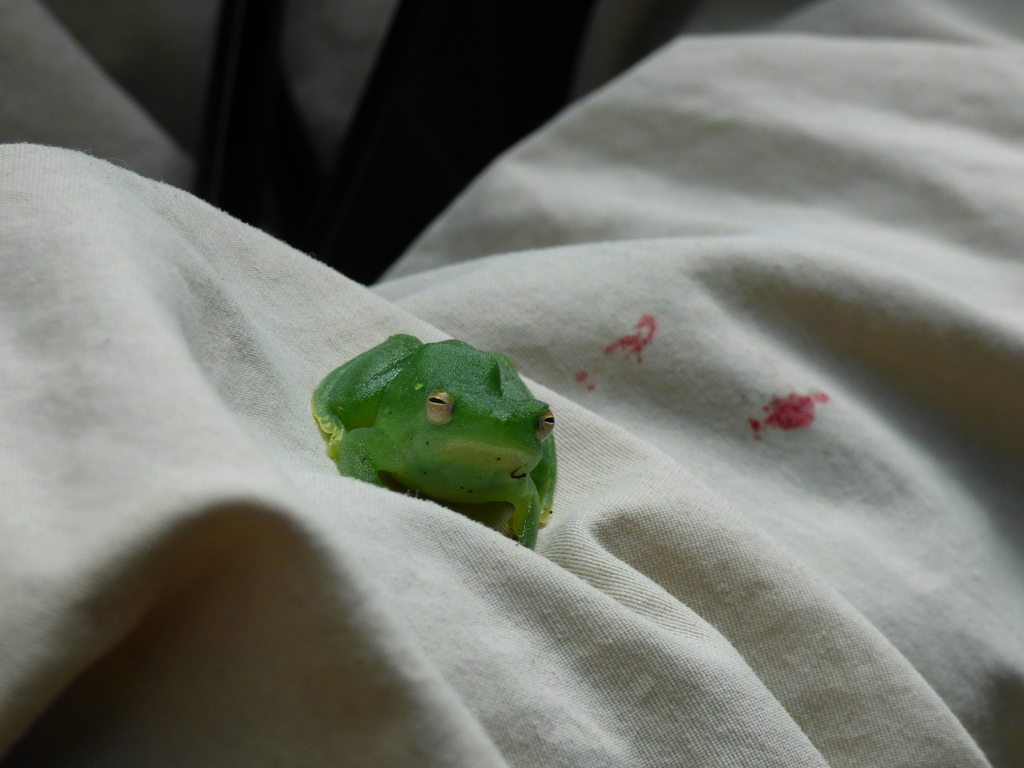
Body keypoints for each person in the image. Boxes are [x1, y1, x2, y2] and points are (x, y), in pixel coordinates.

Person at [1, 1, 1021, 765]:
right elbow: (358, 423)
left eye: (533, 431)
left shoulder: (528, 440)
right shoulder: (404, 415)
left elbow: (540, 478)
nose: (527, 443)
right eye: (461, 419)